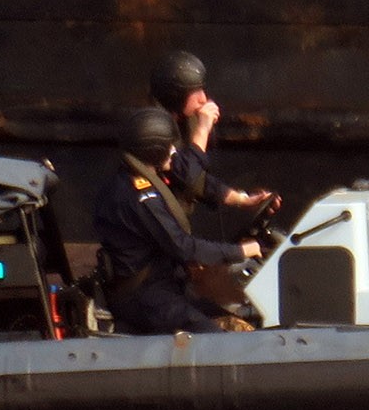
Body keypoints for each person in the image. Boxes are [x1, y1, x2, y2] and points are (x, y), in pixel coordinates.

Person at [93, 105, 265, 335]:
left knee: (232, 321)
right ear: (154, 151)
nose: (174, 151)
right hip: (146, 297)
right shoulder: (139, 196)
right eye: (169, 146)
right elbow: (183, 247)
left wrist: (239, 199)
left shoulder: (138, 178)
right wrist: (241, 251)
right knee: (217, 340)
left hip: (166, 288)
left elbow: (190, 175)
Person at [148, 50, 281, 234]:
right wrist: (202, 129)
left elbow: (198, 180)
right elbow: (186, 173)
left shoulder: (185, 121)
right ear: (175, 95)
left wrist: (242, 199)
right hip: (156, 233)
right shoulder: (152, 131)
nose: (203, 99)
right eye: (194, 92)